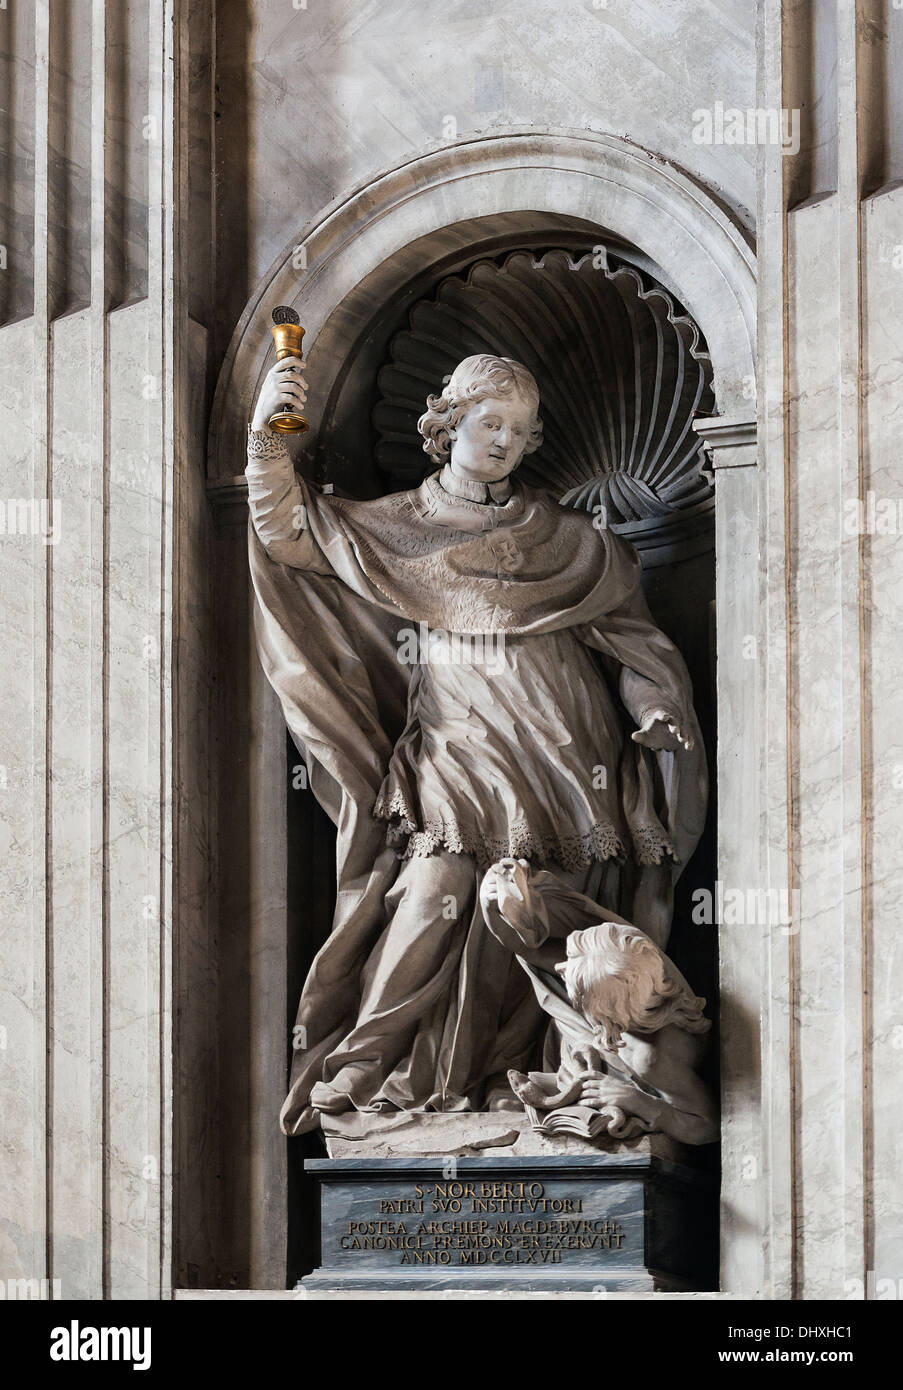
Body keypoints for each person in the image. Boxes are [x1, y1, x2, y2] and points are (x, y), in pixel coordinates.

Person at [245, 352, 707, 1134]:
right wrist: (265, 439)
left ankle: (510, 1073)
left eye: (519, 432)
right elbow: (291, 531)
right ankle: (369, 1060)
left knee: (535, 914)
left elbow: (632, 640)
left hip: (568, 754)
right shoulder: (398, 524)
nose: (502, 441)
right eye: (489, 422)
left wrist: (655, 708)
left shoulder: (571, 541)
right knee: (433, 891)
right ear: (449, 422)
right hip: (458, 747)